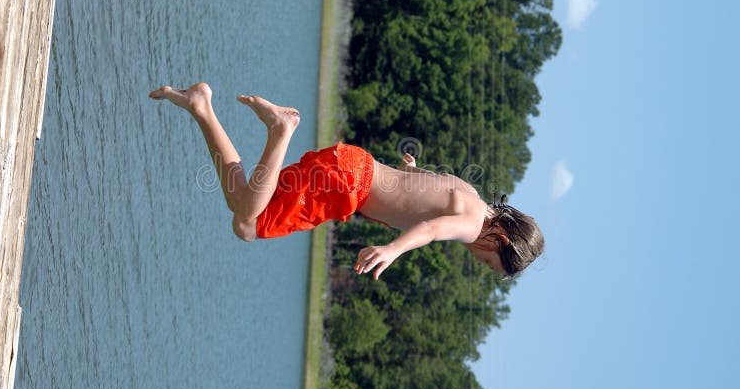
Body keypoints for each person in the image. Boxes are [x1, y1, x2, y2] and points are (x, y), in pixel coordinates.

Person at [149, 83, 544, 280]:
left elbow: (426, 182)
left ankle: (201, 106)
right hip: (346, 186)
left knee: (244, 202)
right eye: (491, 263)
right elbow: (430, 228)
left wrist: (408, 170)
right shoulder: (474, 225)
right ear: (502, 240)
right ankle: (279, 130)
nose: (481, 261)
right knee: (247, 224)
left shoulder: (471, 194)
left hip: (352, 164)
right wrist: (394, 249)